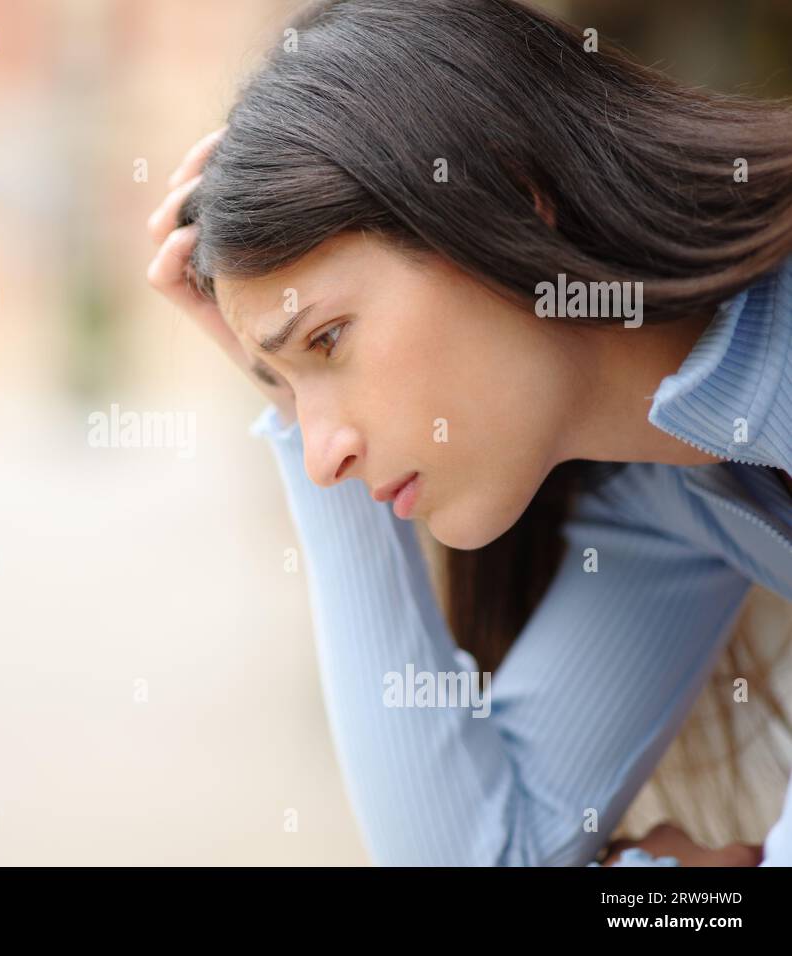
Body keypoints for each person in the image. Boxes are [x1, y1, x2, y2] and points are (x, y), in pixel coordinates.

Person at [146, 0, 792, 865]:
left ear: (506, 201)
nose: (323, 451)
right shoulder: (661, 483)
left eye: (328, 339)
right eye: (285, 383)